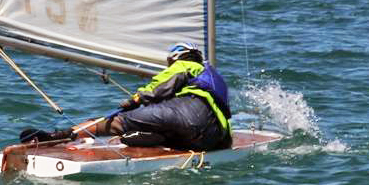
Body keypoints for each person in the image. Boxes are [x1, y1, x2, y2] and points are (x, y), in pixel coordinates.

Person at [19, 43, 233, 151]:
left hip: (186, 112)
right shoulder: (212, 77)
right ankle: (149, 136)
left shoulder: (186, 65)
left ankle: (60, 135)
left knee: (116, 122)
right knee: (168, 129)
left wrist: (136, 100)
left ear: (178, 57)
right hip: (213, 135)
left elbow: (162, 86)